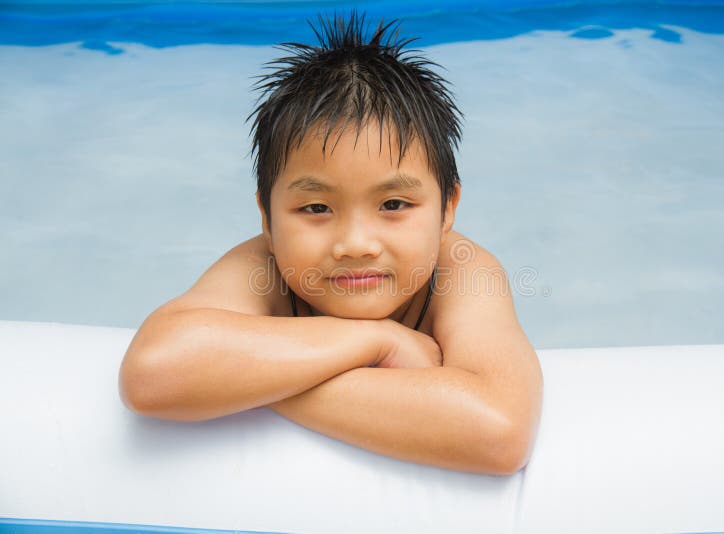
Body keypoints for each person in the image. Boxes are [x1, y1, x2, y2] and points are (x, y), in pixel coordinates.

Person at [119, 9, 543, 476]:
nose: (356, 244)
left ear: (448, 209)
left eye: (395, 204)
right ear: (266, 216)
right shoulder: (262, 269)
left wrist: (254, 385)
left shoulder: (462, 271)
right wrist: (376, 340)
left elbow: (500, 434)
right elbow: (151, 375)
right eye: (317, 209)